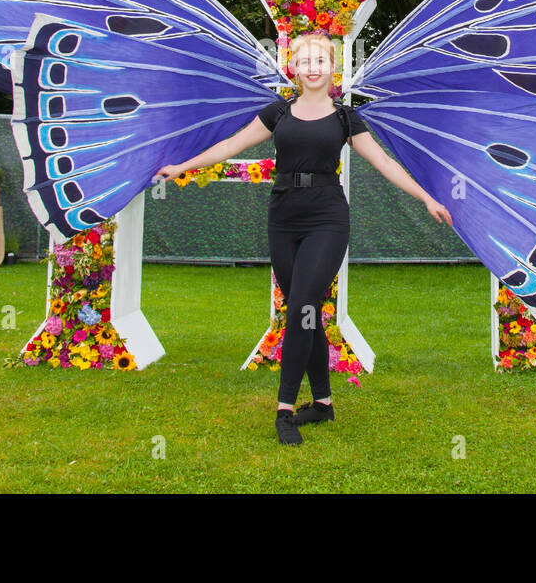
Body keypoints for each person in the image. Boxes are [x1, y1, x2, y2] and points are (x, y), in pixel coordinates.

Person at [154, 30, 453, 445]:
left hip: (327, 218)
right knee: (304, 310)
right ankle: (325, 404)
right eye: (305, 61)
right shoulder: (277, 112)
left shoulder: (346, 118)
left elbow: (383, 161)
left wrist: (426, 198)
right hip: (282, 217)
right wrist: (182, 165)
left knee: (301, 308)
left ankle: (284, 409)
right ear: (293, 68)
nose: (313, 68)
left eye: (321, 61)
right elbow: (230, 144)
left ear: (333, 67)